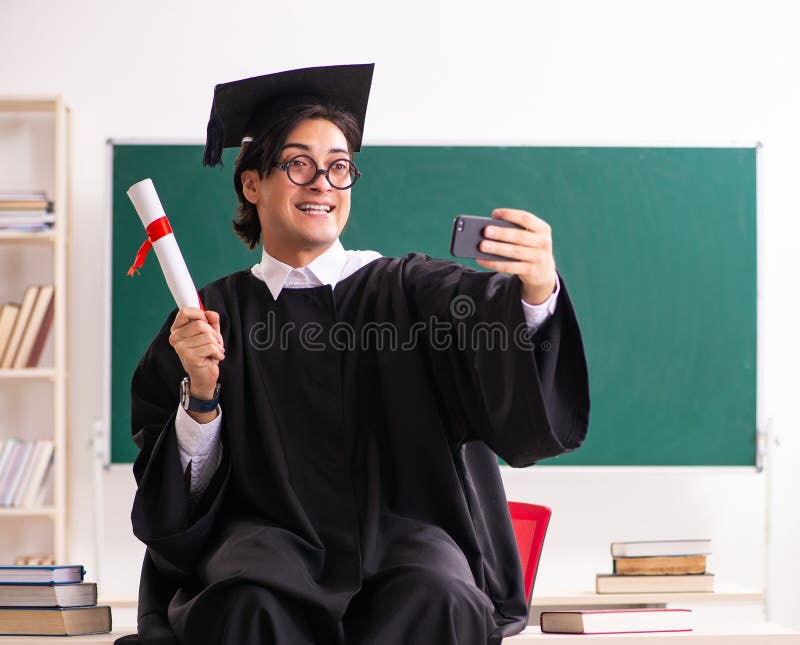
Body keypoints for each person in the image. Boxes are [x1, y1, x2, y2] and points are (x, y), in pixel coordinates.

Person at [117, 63, 589, 645]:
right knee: (243, 605)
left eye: (339, 167)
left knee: (440, 597)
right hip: (265, 547)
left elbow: (500, 342)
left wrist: (537, 291)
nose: (322, 183)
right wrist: (202, 396)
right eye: (298, 164)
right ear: (252, 184)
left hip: (404, 540)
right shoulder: (209, 319)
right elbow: (176, 508)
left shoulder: (409, 291)